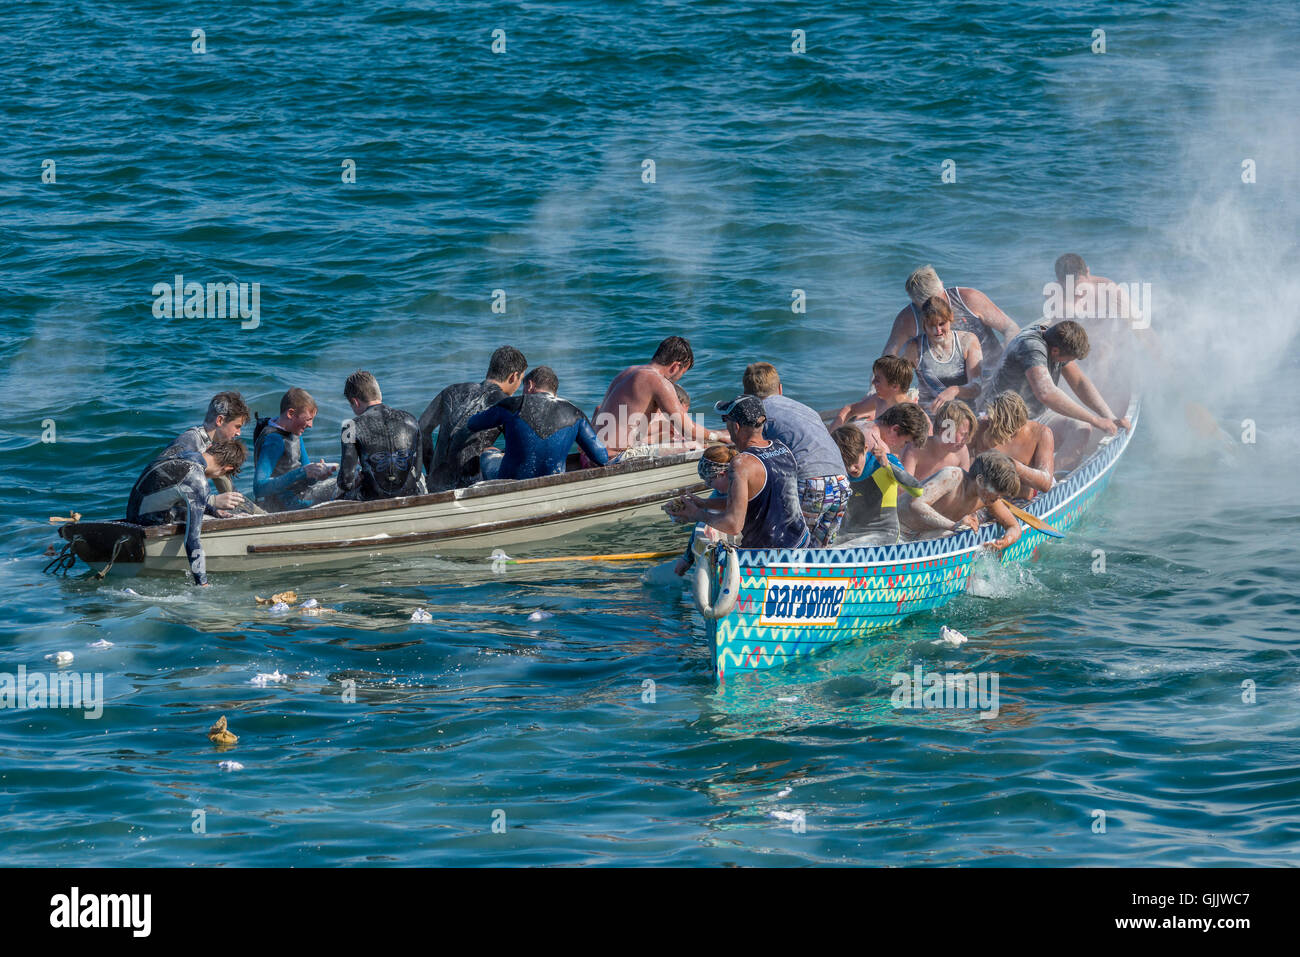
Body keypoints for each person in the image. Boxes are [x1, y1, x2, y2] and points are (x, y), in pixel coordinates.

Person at [669, 395, 809, 549]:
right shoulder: (782, 448)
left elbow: (733, 524)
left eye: (725, 421)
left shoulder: (742, 464)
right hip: (801, 542)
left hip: (769, 554)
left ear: (735, 426)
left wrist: (696, 515)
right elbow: (755, 502)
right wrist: (704, 503)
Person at [989, 319, 1130, 468]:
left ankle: (1052, 480)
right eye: (1069, 359)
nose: (1068, 362)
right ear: (1055, 350)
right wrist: (1095, 420)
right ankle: (1038, 479)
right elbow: (1046, 393)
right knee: (1087, 424)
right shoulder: (1032, 347)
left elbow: (1080, 382)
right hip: (1004, 419)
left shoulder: (1053, 340)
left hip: (1036, 415)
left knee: (1081, 429)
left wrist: (1110, 417)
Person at [744, 362, 852, 546]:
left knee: (790, 544)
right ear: (780, 388)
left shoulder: (759, 413)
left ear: (747, 396)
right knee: (819, 548)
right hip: (841, 482)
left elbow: (753, 451)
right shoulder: (804, 409)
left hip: (811, 482)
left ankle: (769, 572)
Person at [126, 441, 247, 586]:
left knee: (200, 512)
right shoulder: (197, 479)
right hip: (147, 521)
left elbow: (177, 493)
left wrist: (214, 511)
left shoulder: (184, 454)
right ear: (227, 468)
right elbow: (191, 539)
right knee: (199, 522)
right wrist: (202, 582)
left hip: (132, 514)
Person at [465, 366, 609, 481]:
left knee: (488, 453)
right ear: (555, 393)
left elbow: (472, 424)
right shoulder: (575, 413)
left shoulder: (512, 404)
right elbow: (601, 457)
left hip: (510, 481)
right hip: (553, 481)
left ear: (530, 385)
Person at [591, 336, 722, 459]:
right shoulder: (658, 381)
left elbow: (599, 409)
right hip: (614, 457)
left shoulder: (627, 372)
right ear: (675, 367)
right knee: (695, 447)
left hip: (592, 453)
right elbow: (688, 430)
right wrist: (717, 435)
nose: (679, 379)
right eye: (682, 373)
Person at [418, 346, 528, 492]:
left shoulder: (452, 391)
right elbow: (521, 448)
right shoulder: (506, 404)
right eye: (521, 379)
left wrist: (431, 468)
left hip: (436, 484)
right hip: (469, 488)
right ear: (513, 376)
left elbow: (422, 428)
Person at [882, 265, 1020, 375]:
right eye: (925, 307)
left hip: (992, 370)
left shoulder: (969, 299)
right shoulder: (908, 319)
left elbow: (1010, 328)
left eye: (937, 300)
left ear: (942, 285)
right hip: (946, 388)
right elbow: (888, 360)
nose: (934, 310)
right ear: (914, 301)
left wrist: (1006, 363)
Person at [835, 403, 927, 545]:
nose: (902, 447)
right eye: (905, 442)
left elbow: (917, 490)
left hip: (882, 532)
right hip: (851, 531)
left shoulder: (857, 429)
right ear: (895, 429)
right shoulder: (879, 446)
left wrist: (888, 465)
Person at [899, 451, 1023, 551]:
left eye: (1002, 496)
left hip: (921, 537)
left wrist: (1005, 541)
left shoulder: (988, 498)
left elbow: (1014, 526)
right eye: (997, 493)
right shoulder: (952, 476)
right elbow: (916, 503)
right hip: (896, 531)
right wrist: (954, 525)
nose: (998, 499)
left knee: (963, 536)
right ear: (980, 481)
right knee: (956, 532)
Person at [337, 371, 425, 501]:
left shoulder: (349, 426)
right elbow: (417, 474)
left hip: (371, 499)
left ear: (355, 402)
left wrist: (357, 479)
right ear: (379, 394)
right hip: (409, 495)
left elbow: (345, 482)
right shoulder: (411, 420)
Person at [252, 387, 338, 511]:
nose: (310, 425)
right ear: (291, 413)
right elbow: (259, 488)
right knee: (344, 491)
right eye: (308, 419)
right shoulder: (274, 441)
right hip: (281, 506)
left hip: (301, 496)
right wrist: (302, 472)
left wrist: (317, 475)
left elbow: (306, 479)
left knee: (345, 483)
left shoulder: (295, 433)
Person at [901, 295, 983, 413]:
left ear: (951, 318)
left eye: (942, 324)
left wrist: (954, 391)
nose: (937, 330)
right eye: (932, 326)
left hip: (963, 415)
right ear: (924, 324)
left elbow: (976, 387)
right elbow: (896, 385)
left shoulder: (967, 341)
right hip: (929, 416)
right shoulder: (913, 347)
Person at [969, 391, 1055, 497]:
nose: (994, 432)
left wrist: (1013, 466)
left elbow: (1045, 483)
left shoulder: (1041, 433)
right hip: (985, 495)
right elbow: (958, 455)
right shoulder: (982, 427)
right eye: (992, 425)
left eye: (1002, 429)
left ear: (1019, 425)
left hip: (1022, 499)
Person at [164, 391, 251, 496]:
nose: (238, 433)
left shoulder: (213, 446)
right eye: (237, 426)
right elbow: (167, 485)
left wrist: (256, 512)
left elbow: (230, 492)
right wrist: (212, 502)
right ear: (220, 420)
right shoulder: (189, 442)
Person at [671, 445, 738, 576]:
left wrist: (701, 507)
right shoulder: (719, 491)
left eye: (709, 480)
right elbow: (700, 524)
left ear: (723, 474)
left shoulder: (743, 484)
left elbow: (736, 505)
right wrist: (687, 558)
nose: (707, 485)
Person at [825, 355, 916, 428]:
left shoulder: (911, 414)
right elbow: (849, 410)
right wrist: (831, 435)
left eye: (877, 380)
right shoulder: (879, 400)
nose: (873, 382)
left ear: (895, 386)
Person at [903, 398, 975, 482]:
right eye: (963, 434)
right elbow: (902, 489)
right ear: (944, 431)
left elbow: (963, 489)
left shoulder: (962, 451)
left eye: (968, 434)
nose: (966, 440)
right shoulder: (915, 449)